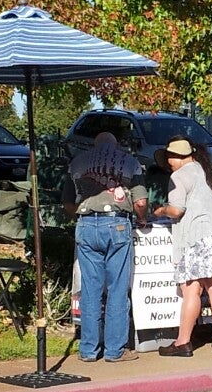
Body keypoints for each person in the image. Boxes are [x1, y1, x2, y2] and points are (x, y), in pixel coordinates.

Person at [62, 132, 148, 363]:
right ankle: (115, 350)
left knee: (90, 290)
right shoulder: (129, 162)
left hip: (86, 224)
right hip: (117, 224)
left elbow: (68, 202)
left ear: (95, 144)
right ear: (116, 144)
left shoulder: (77, 163)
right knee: (117, 288)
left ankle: (88, 350)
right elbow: (140, 202)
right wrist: (142, 218)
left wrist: (82, 218)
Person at [152, 136, 212, 357]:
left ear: (177, 157)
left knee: (191, 289)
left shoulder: (179, 176)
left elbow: (176, 210)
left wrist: (160, 210)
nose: (168, 163)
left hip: (194, 237)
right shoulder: (211, 174)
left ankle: (183, 342)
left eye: (169, 158)